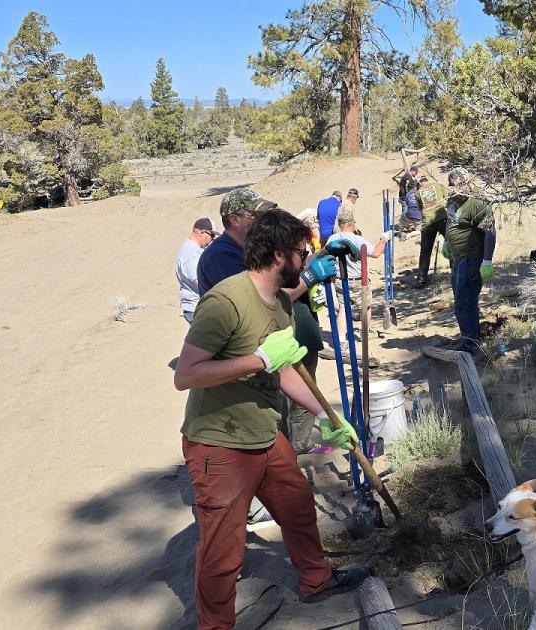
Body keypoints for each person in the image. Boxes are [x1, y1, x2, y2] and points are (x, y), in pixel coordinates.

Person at [175, 208, 366, 628]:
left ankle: (316, 581)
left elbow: (282, 370)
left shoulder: (279, 303)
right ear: (280, 254)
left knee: (298, 507)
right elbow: (186, 375)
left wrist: (325, 415)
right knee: (223, 553)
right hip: (219, 445)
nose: (307, 259)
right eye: (303, 251)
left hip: (265, 433)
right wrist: (256, 360)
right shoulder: (224, 303)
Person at [197, 188, 335, 456]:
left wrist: (317, 256)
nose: (262, 221)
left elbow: (284, 277)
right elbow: (264, 298)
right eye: (256, 215)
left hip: (278, 343)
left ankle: (296, 449)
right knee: (274, 412)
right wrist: (309, 278)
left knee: (295, 395)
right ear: (234, 219)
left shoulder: (254, 250)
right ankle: (280, 451)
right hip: (248, 362)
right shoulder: (221, 258)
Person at [441, 168, 495, 355]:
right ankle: (468, 338)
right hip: (457, 259)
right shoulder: (453, 199)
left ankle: (472, 345)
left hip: (471, 259)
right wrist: (447, 242)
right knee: (459, 302)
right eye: (454, 186)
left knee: (466, 302)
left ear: (469, 183)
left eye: (461, 185)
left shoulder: (478, 203)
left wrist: (487, 261)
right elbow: (450, 221)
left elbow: (490, 232)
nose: (457, 190)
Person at [324, 210, 392, 337]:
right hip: (358, 280)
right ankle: (365, 334)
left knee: (343, 309)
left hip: (340, 279)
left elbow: (325, 256)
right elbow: (376, 253)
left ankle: (341, 339)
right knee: (365, 307)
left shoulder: (332, 239)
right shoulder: (357, 239)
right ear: (351, 224)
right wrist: (384, 239)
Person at [177, 218, 215, 323]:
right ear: (202, 233)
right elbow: (198, 281)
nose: (211, 240)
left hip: (197, 308)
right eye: (211, 236)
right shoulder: (191, 253)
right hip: (197, 309)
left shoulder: (191, 249)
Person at [414, 175, 448, 288]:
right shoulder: (437, 185)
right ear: (427, 180)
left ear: (419, 183)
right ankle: (456, 270)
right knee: (452, 244)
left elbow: (420, 209)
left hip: (428, 223)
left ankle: (421, 280)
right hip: (442, 218)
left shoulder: (418, 193)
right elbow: (448, 196)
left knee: (425, 252)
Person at [392, 166, 422, 232]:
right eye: (416, 172)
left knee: (406, 210)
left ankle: (405, 225)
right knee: (405, 211)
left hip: (404, 196)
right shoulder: (407, 177)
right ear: (413, 171)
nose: (416, 174)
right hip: (404, 197)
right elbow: (407, 187)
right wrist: (409, 195)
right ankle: (403, 226)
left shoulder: (407, 176)